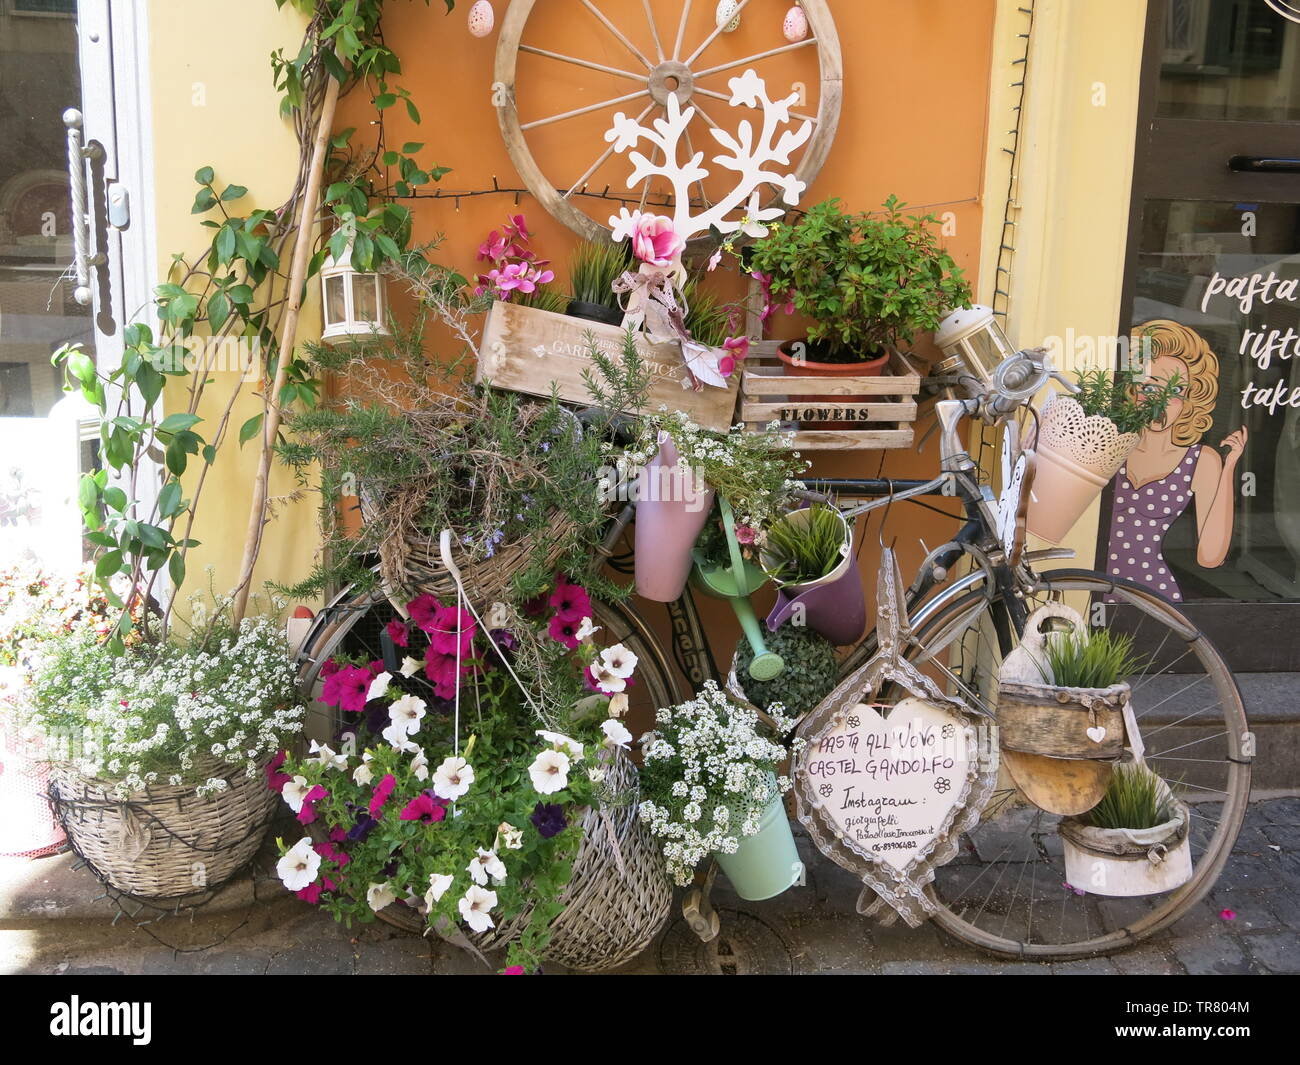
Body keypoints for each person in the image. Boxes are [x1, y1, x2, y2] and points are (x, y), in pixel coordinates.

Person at [1103, 319, 1246, 603]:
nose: (1162, 402)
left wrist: (1229, 469)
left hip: (1156, 598)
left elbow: (1210, 557)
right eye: (1149, 388)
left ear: (1191, 399)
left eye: (1176, 392)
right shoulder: (1109, 439)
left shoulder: (1200, 460)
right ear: (1132, 389)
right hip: (1090, 586)